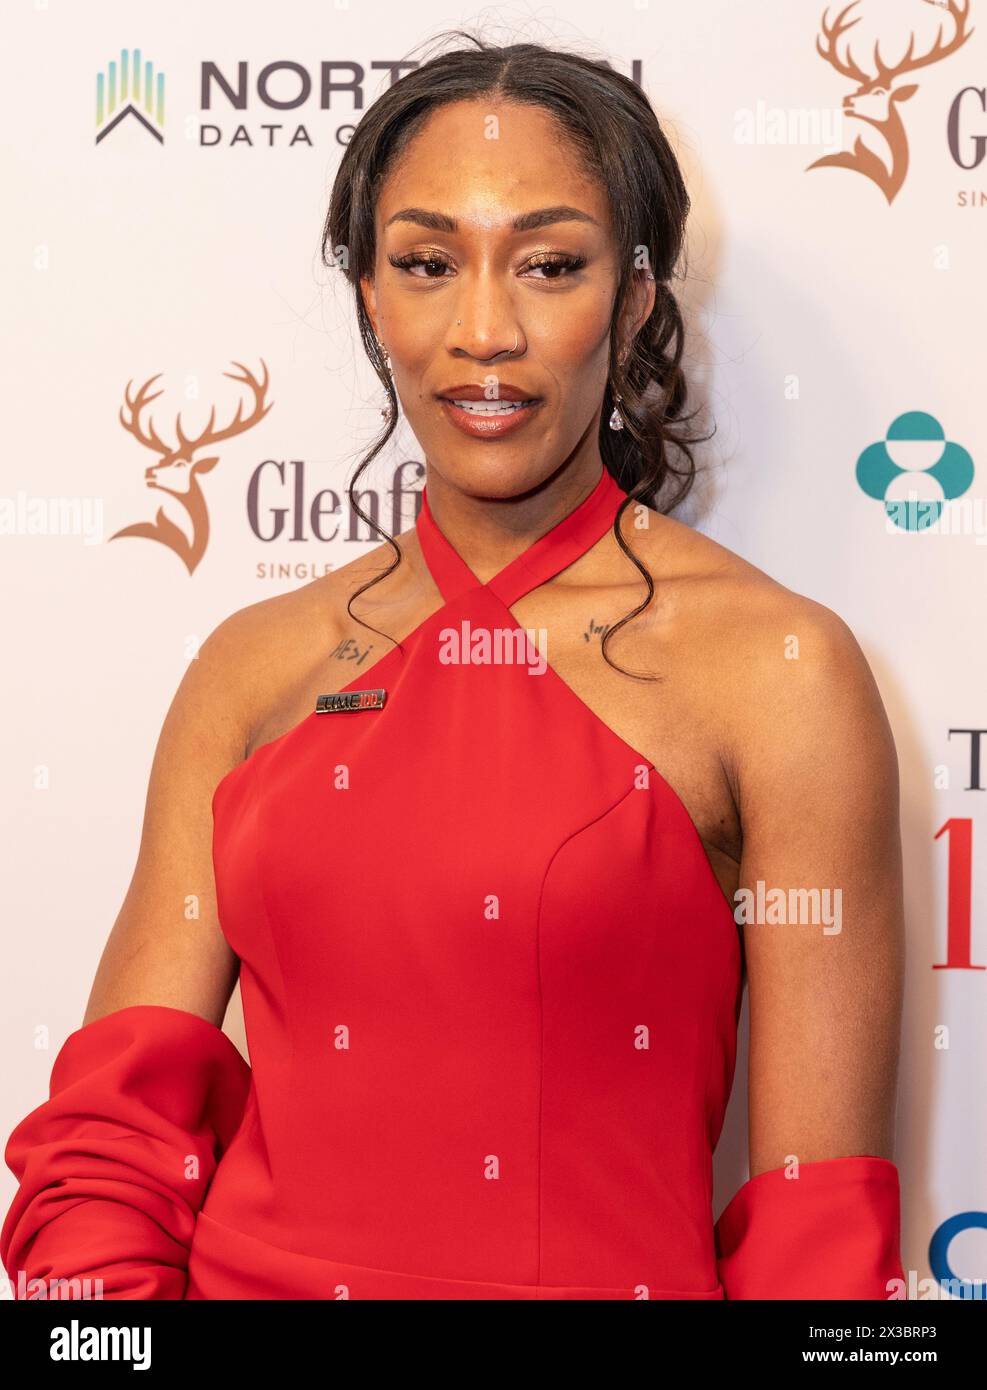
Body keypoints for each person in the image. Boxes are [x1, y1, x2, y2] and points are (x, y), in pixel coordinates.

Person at [1, 34, 905, 1300]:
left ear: (634, 298)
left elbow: (819, 1251)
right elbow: (111, 1143)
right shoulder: (253, 666)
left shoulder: (780, 670)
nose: (486, 330)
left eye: (549, 265)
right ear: (370, 292)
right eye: (427, 263)